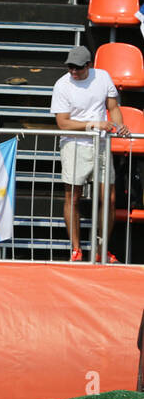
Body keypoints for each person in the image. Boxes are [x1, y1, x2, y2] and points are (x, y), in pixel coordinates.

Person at [53, 45, 128, 263]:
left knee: (109, 199)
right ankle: (76, 249)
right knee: (73, 197)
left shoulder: (103, 77)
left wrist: (119, 126)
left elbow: (113, 108)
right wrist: (93, 124)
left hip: (101, 145)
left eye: (77, 68)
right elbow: (62, 123)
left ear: (89, 65)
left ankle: (102, 248)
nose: (73, 72)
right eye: (69, 67)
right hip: (74, 145)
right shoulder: (62, 85)